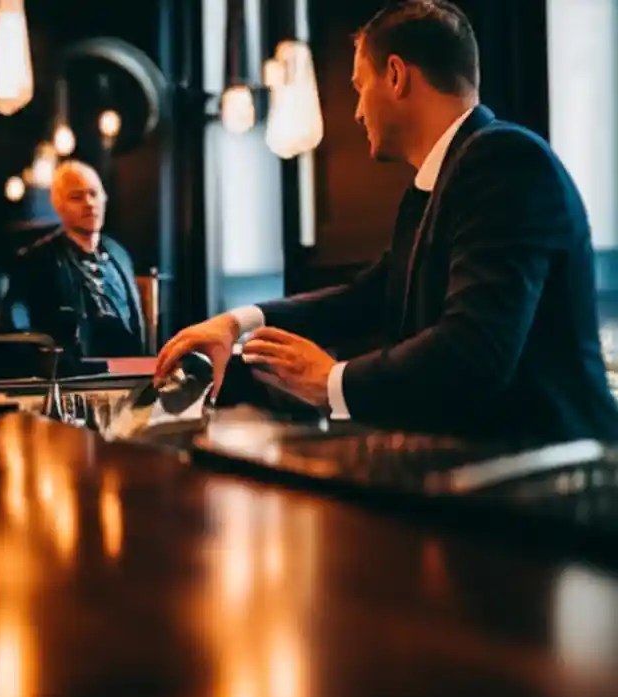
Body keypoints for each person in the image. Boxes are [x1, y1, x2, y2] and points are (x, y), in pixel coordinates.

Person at [156, 0, 618, 442]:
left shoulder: (503, 159)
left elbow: (474, 352)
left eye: (359, 86)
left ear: (395, 76)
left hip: (555, 481)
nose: (357, 111)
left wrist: (331, 381)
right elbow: (367, 297)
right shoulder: (444, 179)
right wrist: (236, 323)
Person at [2, 160, 147, 358]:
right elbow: (15, 324)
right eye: (76, 197)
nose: (89, 203)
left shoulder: (119, 254)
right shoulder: (37, 260)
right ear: (58, 205)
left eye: (94, 194)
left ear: (104, 198)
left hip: (129, 371)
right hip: (74, 377)